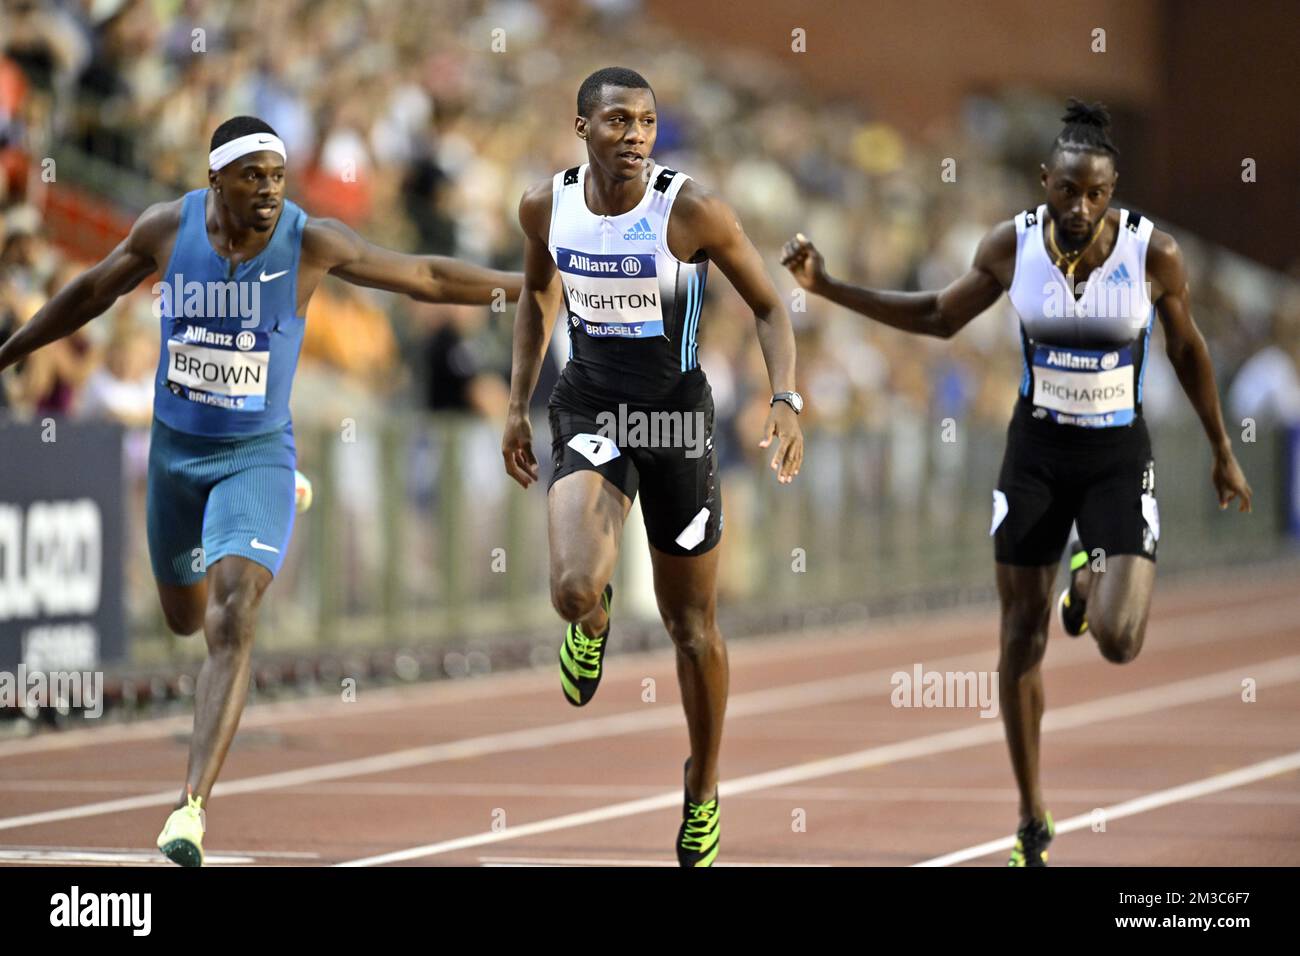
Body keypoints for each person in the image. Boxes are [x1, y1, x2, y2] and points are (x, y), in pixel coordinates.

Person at [0, 115, 522, 866]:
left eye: (279, 176)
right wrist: (9, 353)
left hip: (254, 454)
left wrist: (524, 284)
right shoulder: (162, 230)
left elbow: (426, 275)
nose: (272, 190)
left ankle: (189, 811)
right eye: (255, 177)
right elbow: (88, 291)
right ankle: (257, 515)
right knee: (183, 618)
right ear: (216, 180)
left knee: (232, 615)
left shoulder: (311, 242)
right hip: (177, 459)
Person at [782, 99, 1252, 866]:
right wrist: (829, 287)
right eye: (1066, 190)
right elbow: (938, 316)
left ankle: (1085, 578)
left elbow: (1189, 351)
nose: (1080, 206)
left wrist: (1222, 447)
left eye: (1096, 193)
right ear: (1044, 181)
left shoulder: (1152, 254)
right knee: (1019, 639)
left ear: (1114, 188)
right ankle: (1032, 815)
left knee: (1120, 639)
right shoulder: (1013, 245)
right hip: (1035, 454)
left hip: (1114, 458)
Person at [501, 67, 803, 866]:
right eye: (617, 122)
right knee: (572, 589)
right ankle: (592, 627)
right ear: (581, 128)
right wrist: (514, 403)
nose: (634, 136)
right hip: (591, 407)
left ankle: (702, 787)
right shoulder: (546, 206)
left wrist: (786, 400)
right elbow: (535, 301)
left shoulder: (690, 210)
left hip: (674, 419)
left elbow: (771, 306)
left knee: (691, 627)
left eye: (646, 122)